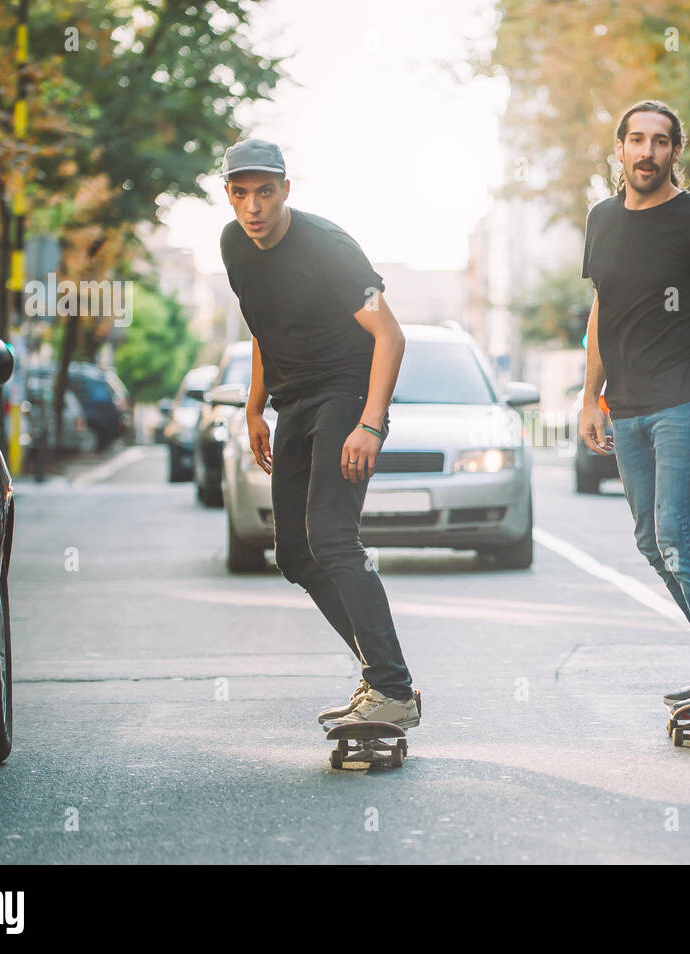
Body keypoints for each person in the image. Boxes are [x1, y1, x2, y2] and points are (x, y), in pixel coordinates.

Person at [218, 138, 420, 728]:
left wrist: (370, 423)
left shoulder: (327, 247)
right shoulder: (234, 244)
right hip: (292, 403)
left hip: (346, 395)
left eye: (264, 192)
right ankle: (381, 675)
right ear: (227, 196)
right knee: (296, 555)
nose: (252, 207)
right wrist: (254, 408)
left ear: (286, 190)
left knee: (332, 538)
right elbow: (262, 327)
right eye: (239, 193)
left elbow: (390, 336)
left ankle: (392, 688)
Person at [578, 101, 690, 712]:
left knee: (681, 532)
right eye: (636, 140)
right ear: (621, 148)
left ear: (675, 152)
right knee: (653, 544)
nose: (647, 151)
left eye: (660, 141)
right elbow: (602, 311)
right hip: (627, 405)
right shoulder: (602, 220)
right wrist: (590, 397)